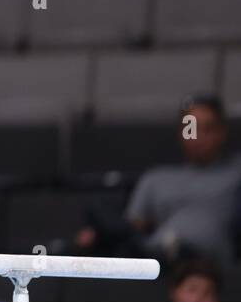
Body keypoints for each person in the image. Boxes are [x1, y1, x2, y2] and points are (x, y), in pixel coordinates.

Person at [74, 97, 240, 265]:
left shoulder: (235, 173)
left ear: (222, 132)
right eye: (191, 128)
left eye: (208, 128)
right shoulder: (157, 178)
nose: (199, 136)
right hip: (159, 259)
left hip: (210, 265)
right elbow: (131, 229)